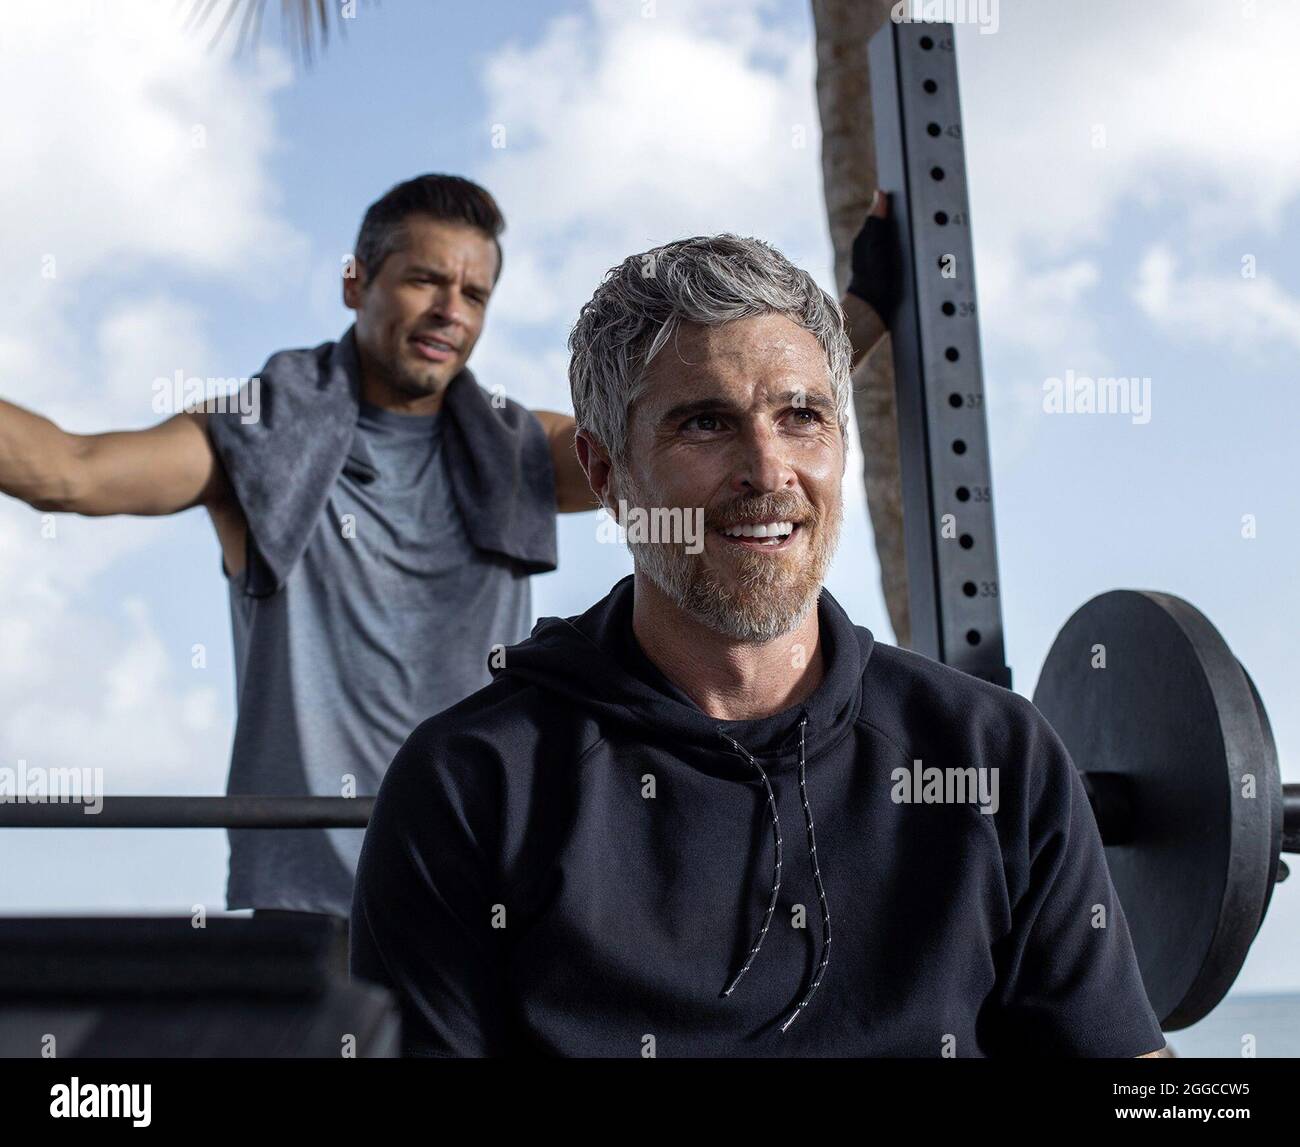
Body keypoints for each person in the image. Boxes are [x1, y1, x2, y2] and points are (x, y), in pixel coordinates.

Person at [350, 225, 1169, 1057]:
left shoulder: (994, 755)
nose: (768, 469)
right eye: (706, 424)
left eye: (803, 415)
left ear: (840, 445)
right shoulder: (469, 786)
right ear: (605, 475)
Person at [0, 174, 600, 922]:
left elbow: (671, 469)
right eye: (424, 280)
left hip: (487, 895)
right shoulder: (256, 436)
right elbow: (70, 471)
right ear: (356, 283)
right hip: (309, 903)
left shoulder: (525, 449)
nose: (451, 311)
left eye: (474, 294)